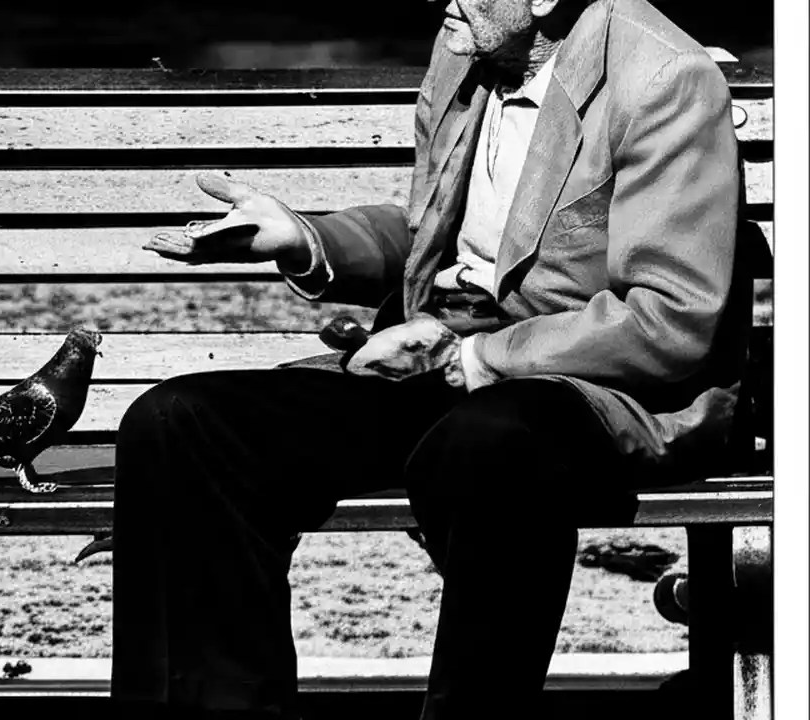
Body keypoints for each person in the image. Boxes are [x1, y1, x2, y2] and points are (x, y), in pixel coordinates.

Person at [112, 0, 748, 718]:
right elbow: (437, 238)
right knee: (180, 424)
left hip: (594, 385)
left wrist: (474, 357)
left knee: (489, 444)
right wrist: (305, 239)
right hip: (437, 363)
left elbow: (670, 319)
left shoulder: (662, 77)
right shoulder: (473, 51)